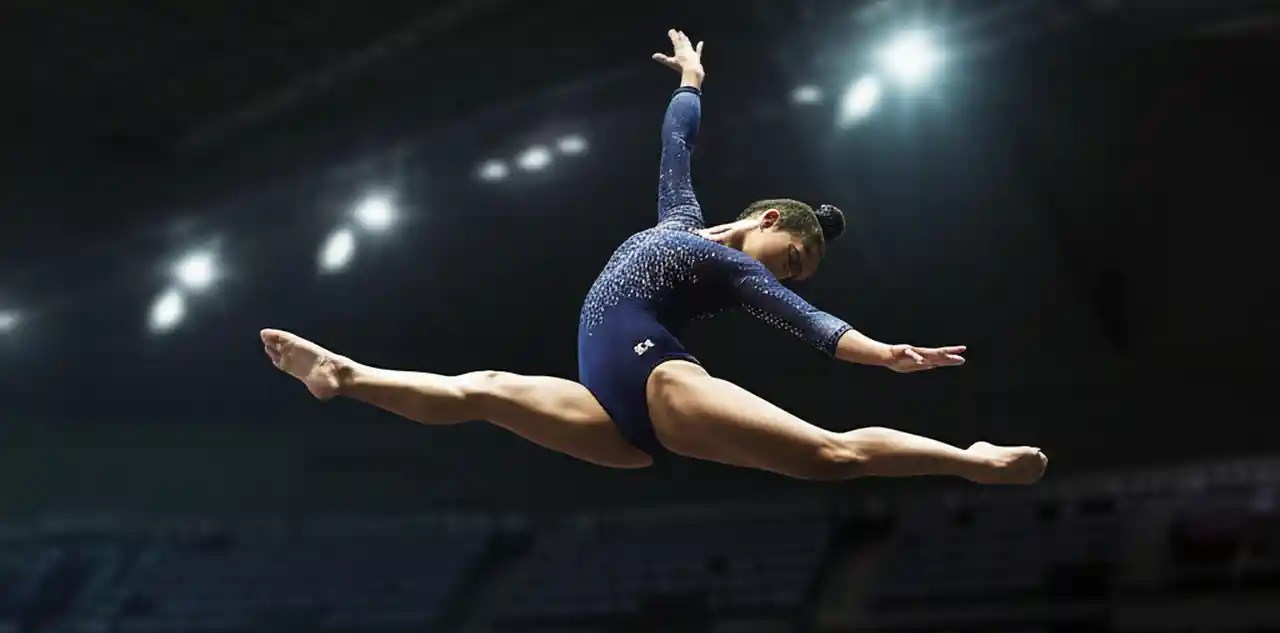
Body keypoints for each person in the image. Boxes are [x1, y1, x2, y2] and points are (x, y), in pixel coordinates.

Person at [260, 29, 1047, 485]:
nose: (786, 272)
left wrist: (882, 355)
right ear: (771, 218)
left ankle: (967, 459)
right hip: (608, 412)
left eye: (797, 270)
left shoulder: (739, 274)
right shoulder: (681, 218)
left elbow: (809, 324)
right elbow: (678, 141)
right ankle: (347, 375)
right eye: (793, 255)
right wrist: (695, 80)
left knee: (826, 455)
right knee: (488, 389)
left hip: (659, 384)